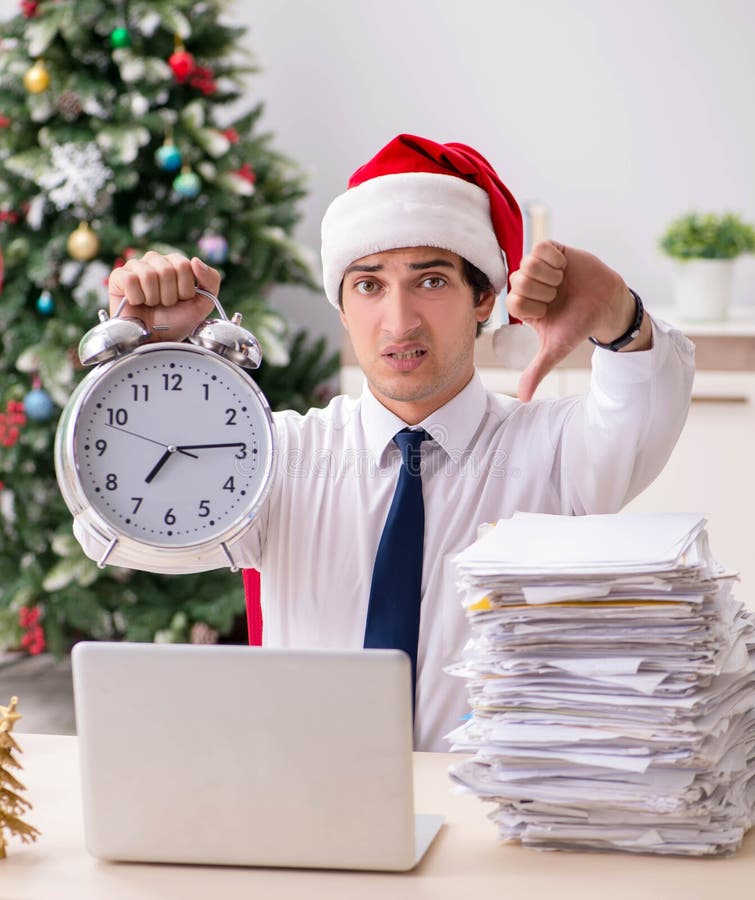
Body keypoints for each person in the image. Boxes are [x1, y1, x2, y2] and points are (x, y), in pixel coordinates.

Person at [82, 134, 695, 751]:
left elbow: (645, 404)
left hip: (493, 813)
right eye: (369, 286)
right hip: (315, 810)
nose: (399, 323)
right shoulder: (275, 455)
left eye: (430, 281)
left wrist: (620, 314)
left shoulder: (552, 452)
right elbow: (124, 531)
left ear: (484, 297)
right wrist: (149, 361)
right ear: (342, 306)